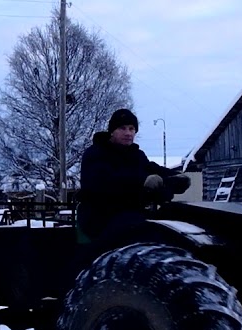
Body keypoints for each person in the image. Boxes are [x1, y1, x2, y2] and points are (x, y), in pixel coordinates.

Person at [75, 108, 184, 252]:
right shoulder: (96, 153)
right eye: (122, 128)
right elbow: (106, 182)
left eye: (132, 129)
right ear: (112, 131)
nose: (128, 133)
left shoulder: (136, 155)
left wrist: (174, 178)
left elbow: (152, 169)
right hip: (99, 217)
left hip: (131, 215)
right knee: (141, 233)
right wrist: (142, 181)